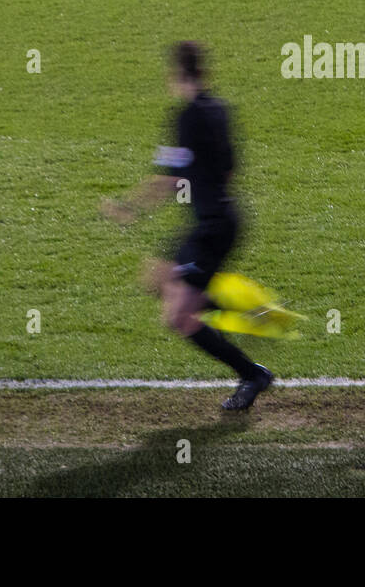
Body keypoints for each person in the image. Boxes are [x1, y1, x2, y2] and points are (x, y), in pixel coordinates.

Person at [101, 41, 274, 411]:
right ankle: (246, 311)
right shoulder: (221, 110)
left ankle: (252, 373)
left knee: (179, 317)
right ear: (203, 72)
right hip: (222, 220)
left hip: (212, 230)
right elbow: (228, 169)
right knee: (156, 277)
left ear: (175, 75)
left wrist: (127, 208)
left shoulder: (185, 118)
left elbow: (167, 180)